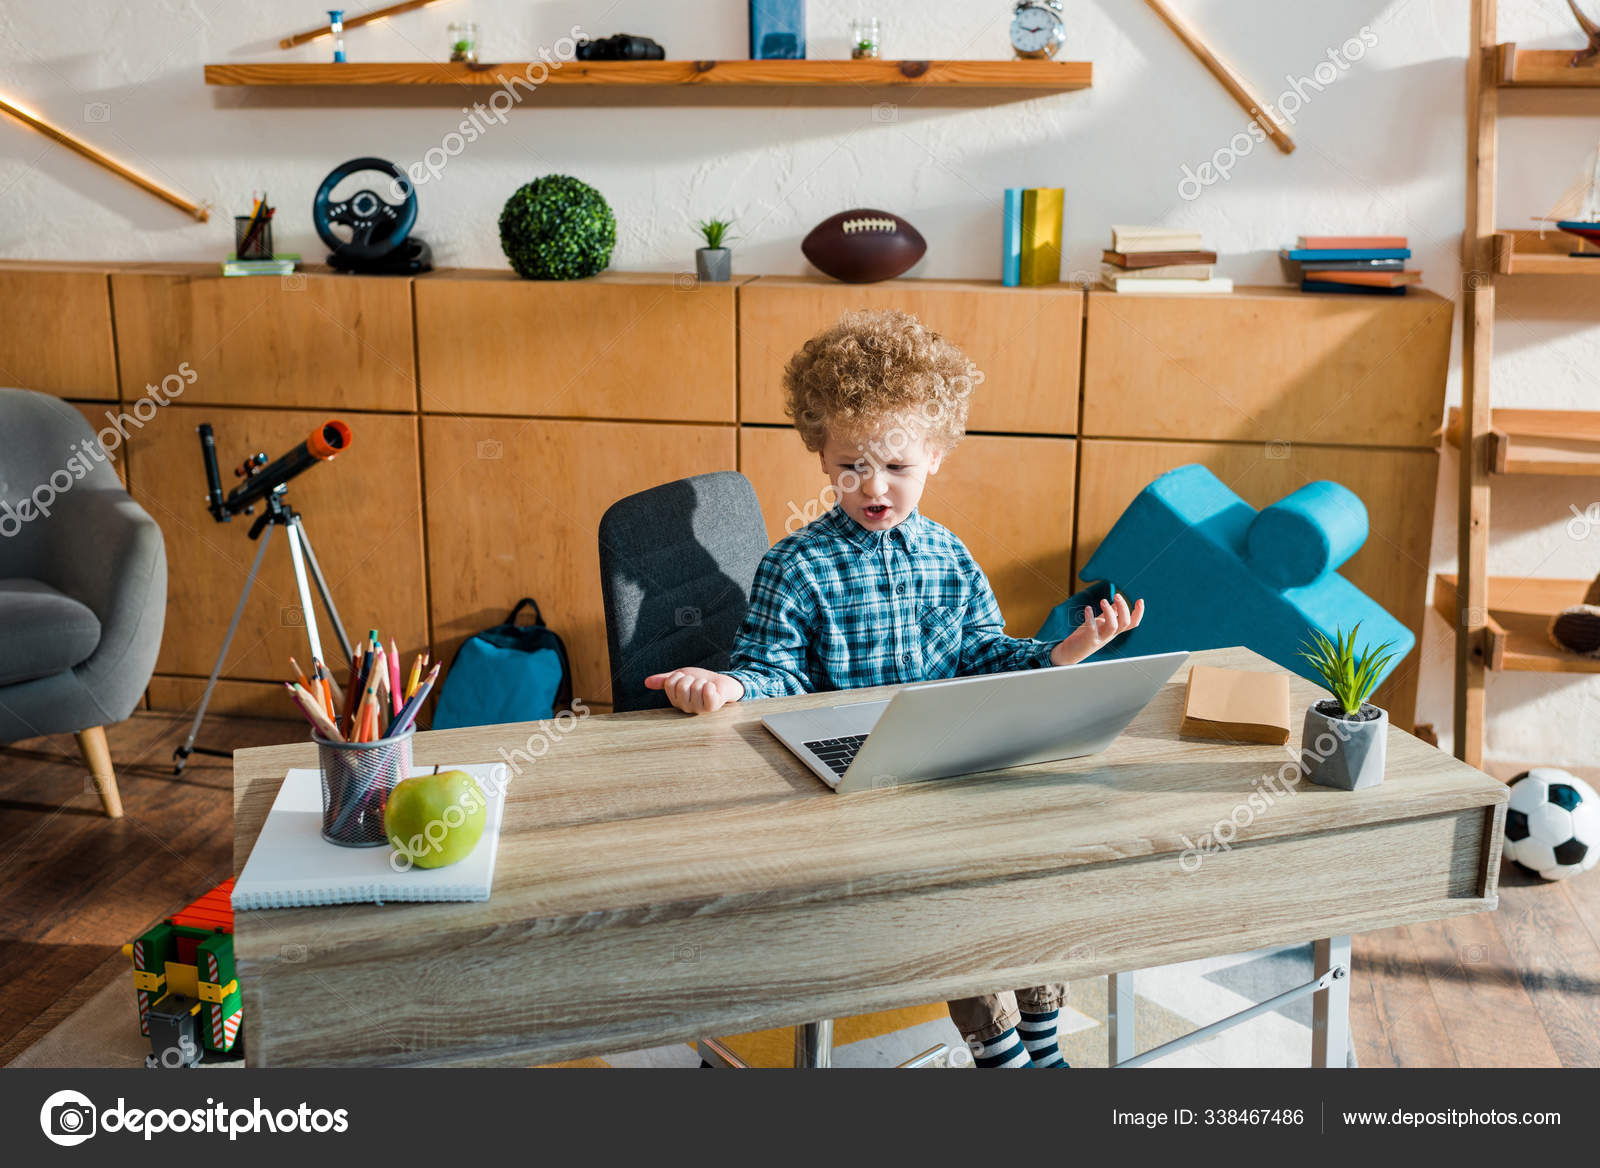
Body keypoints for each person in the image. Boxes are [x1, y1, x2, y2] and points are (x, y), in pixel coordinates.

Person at [646, 308, 1144, 1067]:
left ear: (937, 455)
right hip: (855, 784)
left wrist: (1061, 654)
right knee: (948, 889)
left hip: (948, 762)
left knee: (1028, 859)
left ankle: (1042, 1039)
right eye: (852, 465)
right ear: (821, 455)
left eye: (897, 466)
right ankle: (999, 1049)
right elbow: (777, 671)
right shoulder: (796, 564)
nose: (873, 486)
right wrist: (724, 685)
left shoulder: (948, 554)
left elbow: (982, 652)